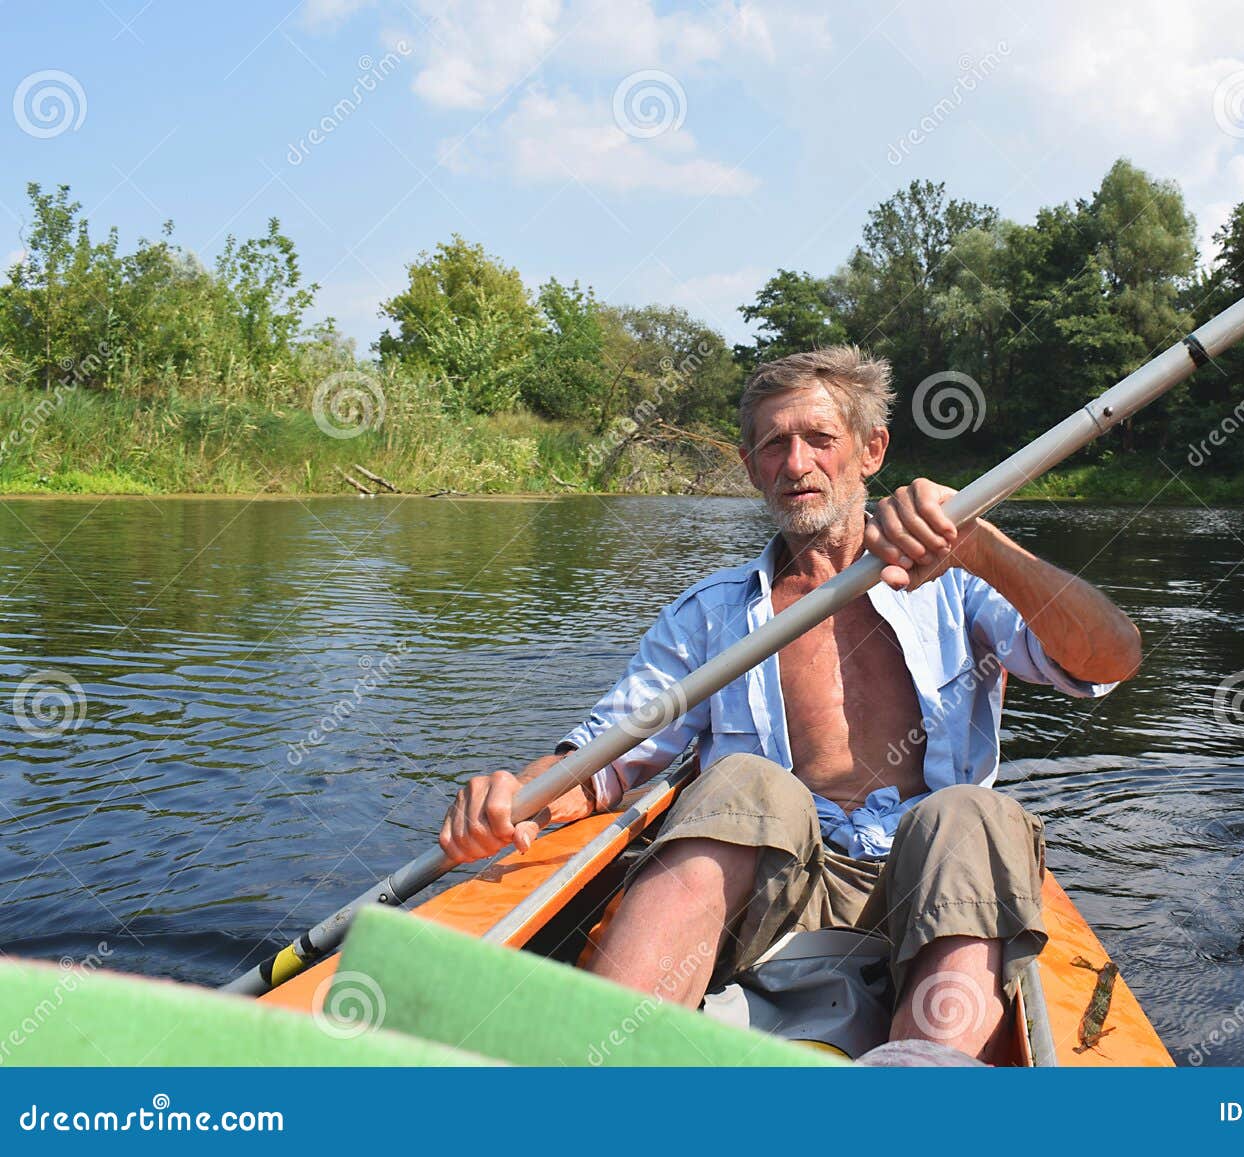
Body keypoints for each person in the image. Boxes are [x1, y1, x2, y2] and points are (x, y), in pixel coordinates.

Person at [438, 346, 1141, 1061]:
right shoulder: (710, 614)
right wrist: (515, 796)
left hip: (930, 893)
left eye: (818, 439)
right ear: (751, 467)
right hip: (771, 900)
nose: (796, 463)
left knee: (973, 812)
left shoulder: (959, 581)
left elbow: (1110, 658)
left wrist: (982, 545)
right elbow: (603, 757)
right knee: (745, 784)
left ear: (872, 450)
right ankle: (611, 1068)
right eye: (774, 443)